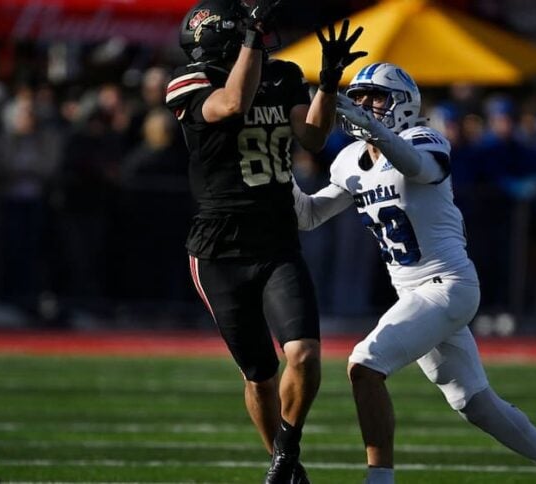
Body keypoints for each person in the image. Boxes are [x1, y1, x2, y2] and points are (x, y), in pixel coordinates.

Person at [291, 62, 536, 484]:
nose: (363, 106)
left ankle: (379, 480)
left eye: (375, 97)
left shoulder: (424, 138)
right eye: (357, 98)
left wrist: (377, 131)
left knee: (364, 364)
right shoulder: (347, 161)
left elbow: (420, 168)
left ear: (404, 103)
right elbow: (307, 216)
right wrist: (275, 173)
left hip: (449, 284)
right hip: (413, 293)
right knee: (475, 403)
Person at [164, 1, 366, 482]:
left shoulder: (284, 74)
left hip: (277, 239)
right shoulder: (189, 80)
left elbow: (313, 136)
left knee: (306, 355)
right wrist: (251, 38)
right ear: (223, 40)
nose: (262, 36)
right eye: (248, 31)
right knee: (259, 374)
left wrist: (329, 85)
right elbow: (232, 103)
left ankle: (285, 457)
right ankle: (286, 466)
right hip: (218, 248)